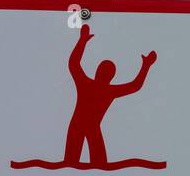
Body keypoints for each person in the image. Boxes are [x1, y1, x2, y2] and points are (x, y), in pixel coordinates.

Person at [63, 23, 156, 165]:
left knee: (80, 164)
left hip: (83, 126)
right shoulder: (106, 90)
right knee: (84, 164)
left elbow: (73, 63)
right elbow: (135, 86)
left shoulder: (88, 84)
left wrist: (82, 40)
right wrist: (146, 66)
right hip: (85, 126)